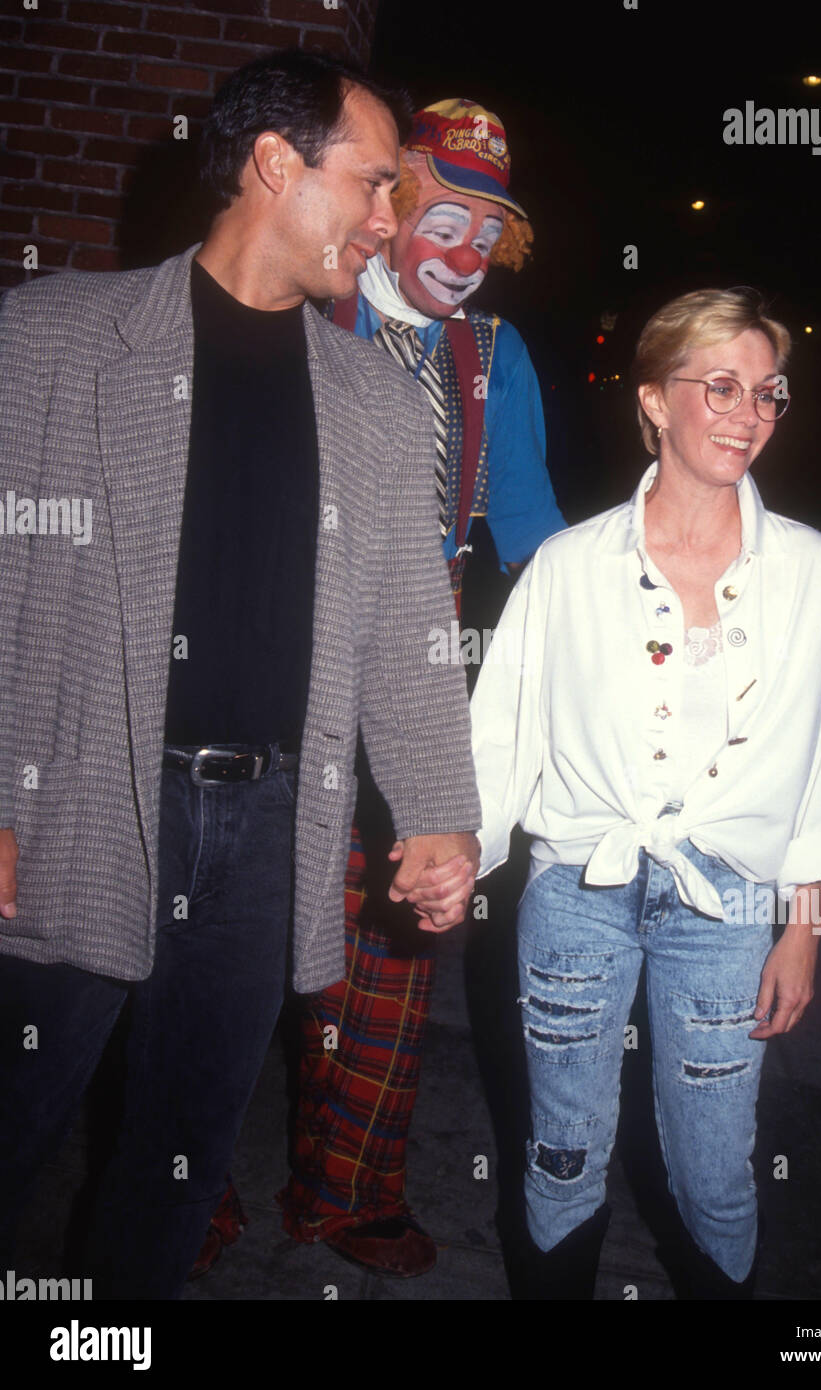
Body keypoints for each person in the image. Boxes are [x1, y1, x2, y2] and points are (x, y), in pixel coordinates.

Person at [0, 48, 481, 1301]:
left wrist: (436, 809)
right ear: (276, 164)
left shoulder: (373, 401)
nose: (389, 221)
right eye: (376, 185)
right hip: (78, 804)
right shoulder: (50, 337)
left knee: (174, 1161)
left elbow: (405, 628)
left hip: (269, 829)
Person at [417, 287, 821, 1298]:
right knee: (561, 1153)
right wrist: (460, 854)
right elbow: (501, 743)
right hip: (577, 889)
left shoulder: (809, 574)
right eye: (719, 386)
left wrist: (804, 924)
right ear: (654, 400)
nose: (746, 413)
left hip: (728, 904)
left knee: (713, 1163)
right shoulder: (569, 570)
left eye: (764, 392)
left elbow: (819, 768)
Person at [197, 98, 566, 1281]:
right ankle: (182, 1179)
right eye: (439, 220)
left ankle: (346, 1189)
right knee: (227, 940)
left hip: (412, 695)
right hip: (268, 674)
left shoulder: (494, 361)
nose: (460, 258)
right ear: (391, 203)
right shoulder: (300, 310)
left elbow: (532, 535)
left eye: (483, 236)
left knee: (398, 956)